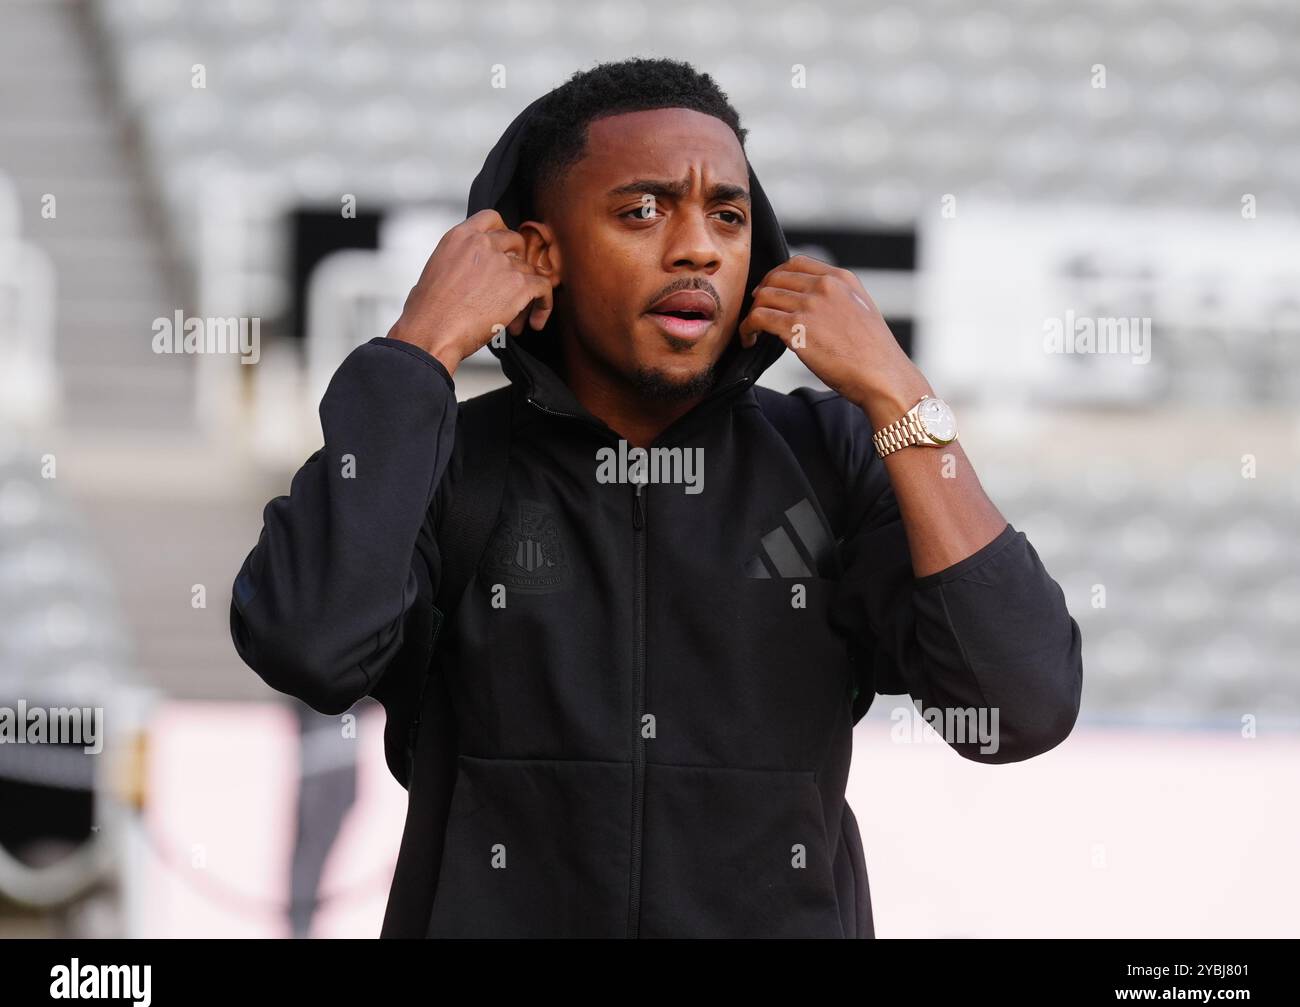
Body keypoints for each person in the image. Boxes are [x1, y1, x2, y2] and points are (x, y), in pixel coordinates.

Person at [229, 57, 1083, 939]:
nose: (698, 248)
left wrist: (900, 397)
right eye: (642, 210)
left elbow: (1019, 706)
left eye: (728, 214)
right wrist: (419, 350)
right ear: (539, 253)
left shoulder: (833, 457)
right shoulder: (448, 463)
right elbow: (307, 646)